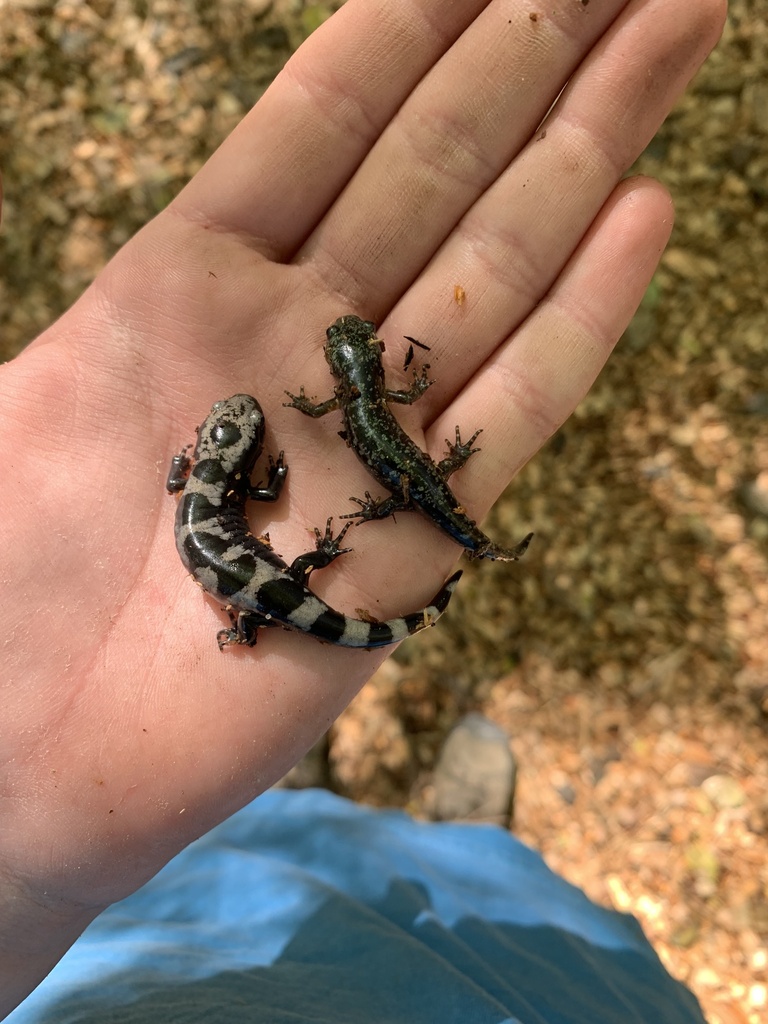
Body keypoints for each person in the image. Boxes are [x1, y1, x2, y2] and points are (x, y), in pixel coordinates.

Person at [0, 0, 726, 1020]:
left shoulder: (213, 485)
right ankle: (421, 842)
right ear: (231, 451)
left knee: (243, 864)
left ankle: (326, 821)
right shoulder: (233, 481)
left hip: (124, 927)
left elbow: (217, 490)